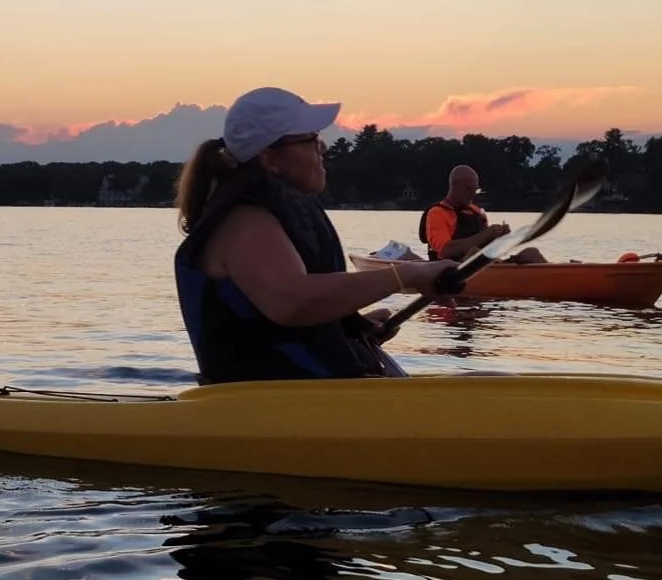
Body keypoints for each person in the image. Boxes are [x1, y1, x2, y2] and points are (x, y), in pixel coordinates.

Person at [175, 87, 457, 383]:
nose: (322, 148)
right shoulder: (243, 223)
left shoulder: (270, 213)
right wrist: (406, 276)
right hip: (269, 406)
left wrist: (349, 328)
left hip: (306, 399)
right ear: (269, 158)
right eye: (311, 139)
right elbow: (292, 303)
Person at [420, 165, 544, 264]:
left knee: (532, 253)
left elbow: (489, 248)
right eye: (471, 189)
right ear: (456, 187)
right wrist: (486, 234)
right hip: (453, 271)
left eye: (476, 189)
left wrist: (501, 239)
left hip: (484, 266)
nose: (474, 194)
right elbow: (445, 250)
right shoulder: (437, 213)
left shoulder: (477, 212)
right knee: (473, 253)